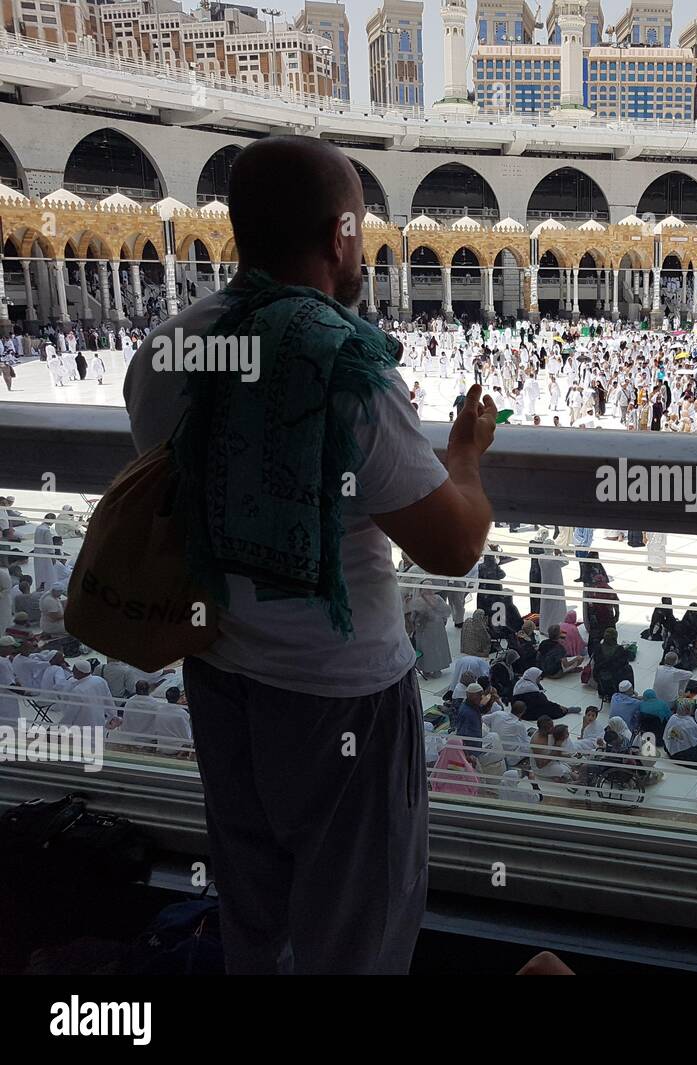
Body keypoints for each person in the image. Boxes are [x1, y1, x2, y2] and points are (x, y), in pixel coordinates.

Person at [122, 136, 497, 976]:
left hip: (220, 678)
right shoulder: (344, 366)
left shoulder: (165, 352)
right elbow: (455, 543)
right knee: (357, 933)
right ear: (340, 238)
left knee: (257, 921)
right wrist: (466, 453)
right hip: (342, 702)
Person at [406, 581, 452, 678]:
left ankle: (429, 669)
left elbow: (413, 617)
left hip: (429, 629)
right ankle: (432, 669)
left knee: (430, 649)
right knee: (432, 649)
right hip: (429, 629)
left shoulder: (424, 600)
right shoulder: (434, 599)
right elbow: (446, 612)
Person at [589, 627, 633, 703]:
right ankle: (628, 692)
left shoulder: (598, 648)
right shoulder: (619, 649)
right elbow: (625, 662)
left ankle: (603, 693)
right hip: (615, 677)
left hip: (600, 677)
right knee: (628, 669)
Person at [664, 698, 697, 765]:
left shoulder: (673, 717)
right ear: (688, 709)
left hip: (670, 748)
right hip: (680, 753)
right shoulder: (690, 723)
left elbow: (666, 735)